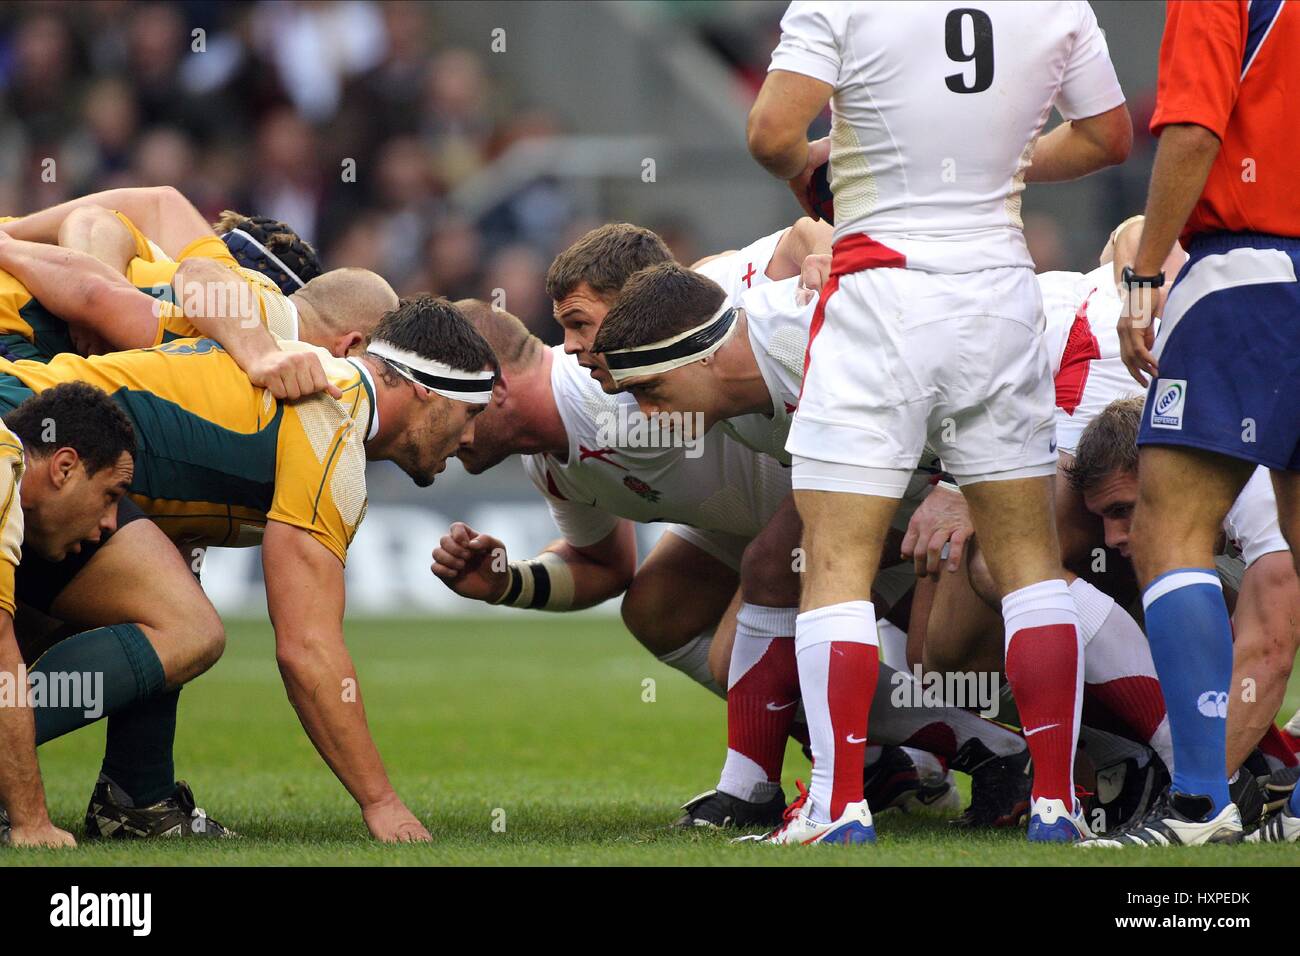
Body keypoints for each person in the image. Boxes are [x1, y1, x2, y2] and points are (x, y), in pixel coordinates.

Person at [744, 0, 1130, 843]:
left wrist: (819, 171)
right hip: (998, 285)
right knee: (1030, 562)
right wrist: (996, 161)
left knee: (838, 561)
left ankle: (838, 804)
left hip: (883, 284)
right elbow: (1107, 136)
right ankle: (1058, 804)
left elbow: (772, 134)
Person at [1113, 0, 1300, 846]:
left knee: (1172, 528)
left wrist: (1145, 270)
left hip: (1250, 270)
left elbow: (1193, 129)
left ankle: (1196, 803)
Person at [0, 383, 137, 847]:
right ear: (64, 467)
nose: (110, 523)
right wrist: (32, 823)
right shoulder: (2, 469)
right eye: (111, 495)